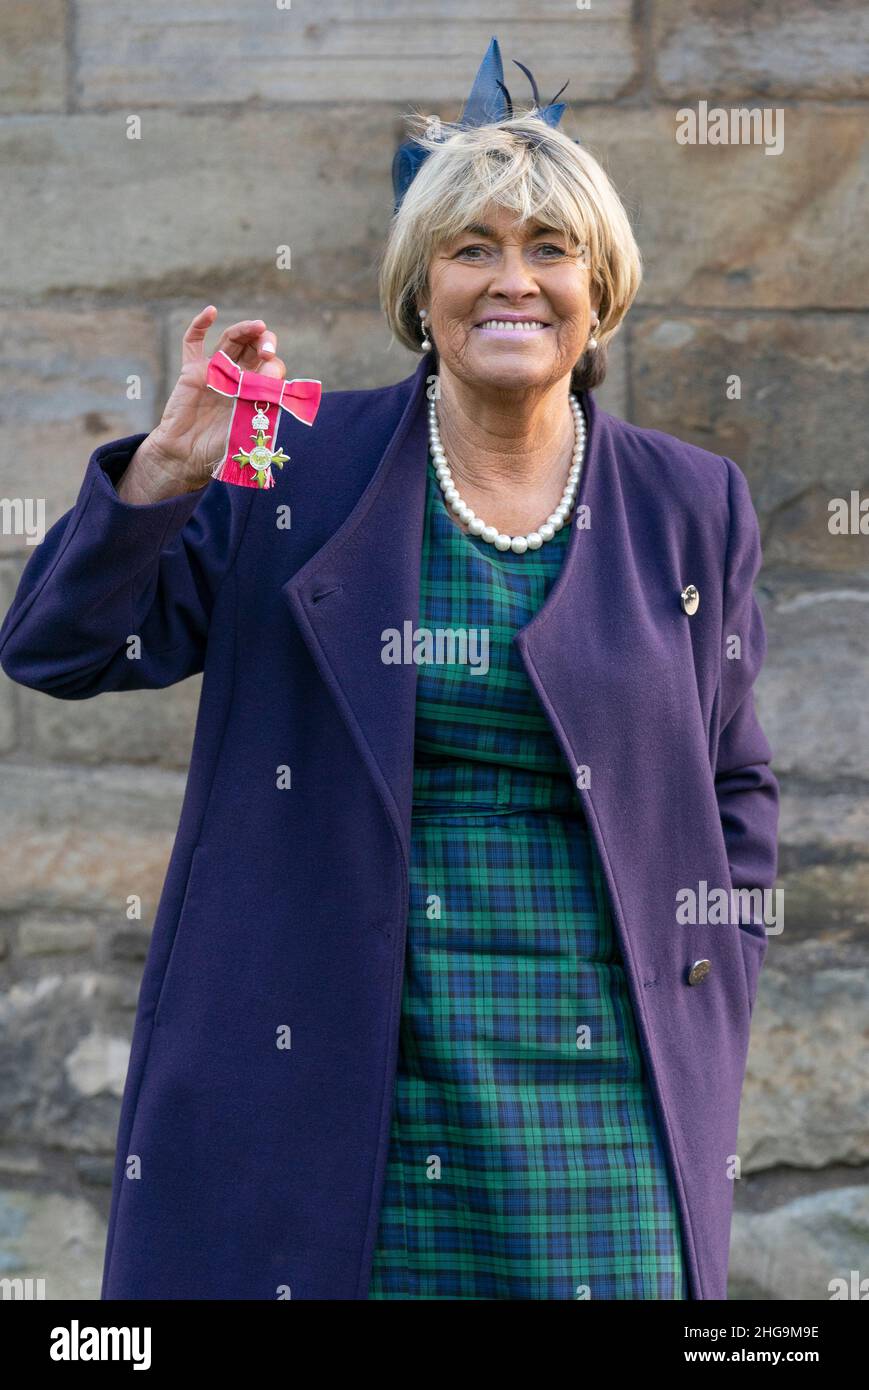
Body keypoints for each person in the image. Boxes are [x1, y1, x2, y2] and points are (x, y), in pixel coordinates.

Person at [0, 38, 778, 1300]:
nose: (509, 281)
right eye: (470, 248)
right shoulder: (290, 464)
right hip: (333, 1059)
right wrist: (165, 475)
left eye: (548, 249)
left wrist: (711, 983)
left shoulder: (692, 502)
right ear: (421, 288)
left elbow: (734, 783)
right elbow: (59, 648)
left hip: (607, 1075)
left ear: (602, 291)